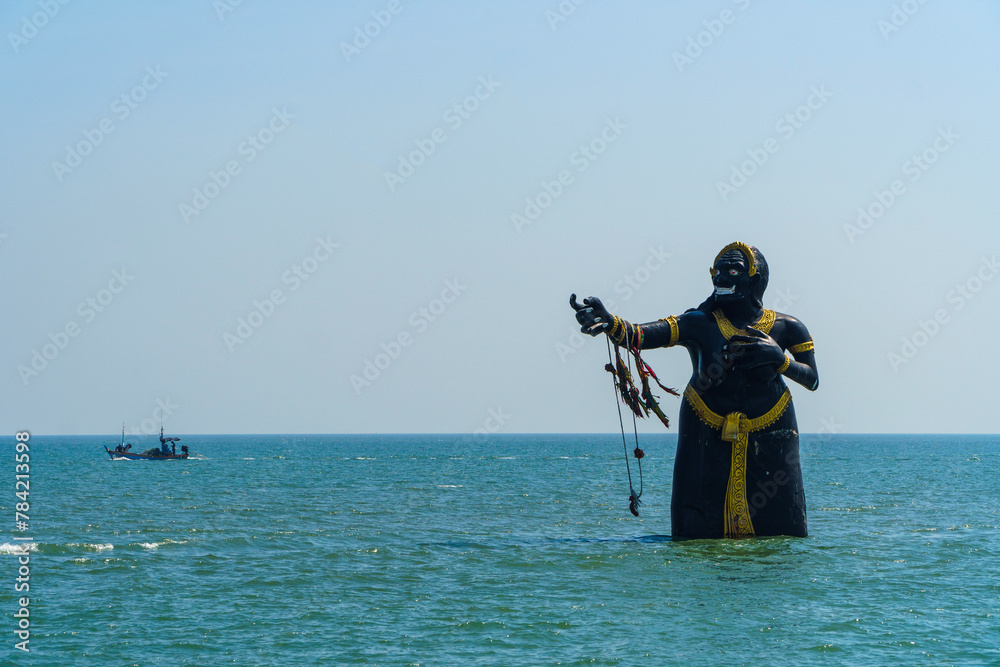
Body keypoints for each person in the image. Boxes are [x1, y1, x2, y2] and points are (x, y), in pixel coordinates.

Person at [571, 242, 818, 538]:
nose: (721, 279)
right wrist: (610, 323)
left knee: (779, 525)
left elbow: (812, 380)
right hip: (704, 427)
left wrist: (780, 360)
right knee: (695, 527)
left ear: (755, 279)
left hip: (772, 431)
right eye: (717, 272)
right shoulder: (698, 323)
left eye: (733, 271)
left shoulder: (787, 328)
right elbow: (641, 335)